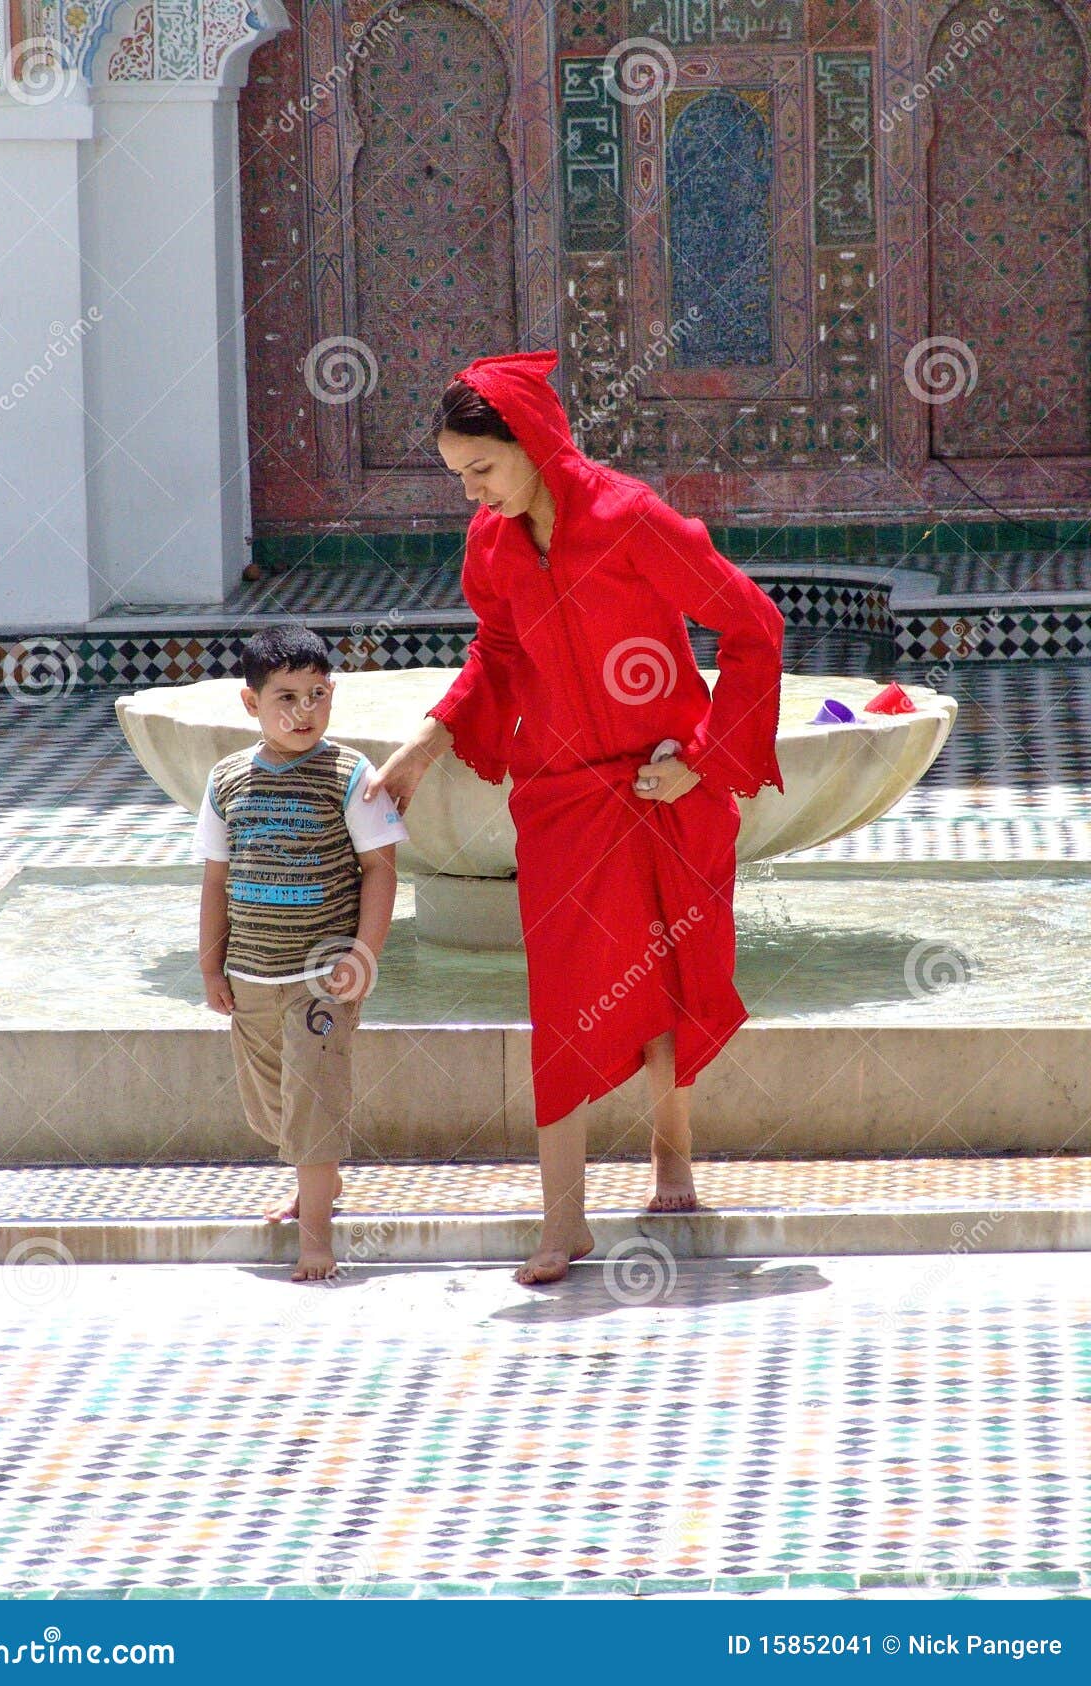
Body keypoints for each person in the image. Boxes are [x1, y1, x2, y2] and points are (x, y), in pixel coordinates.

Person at [364, 349, 785, 1285]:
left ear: (535, 442)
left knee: (676, 964)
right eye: (459, 478)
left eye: (482, 470)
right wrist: (422, 748)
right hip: (562, 797)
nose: (473, 494)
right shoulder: (494, 543)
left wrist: (704, 760)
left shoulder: (632, 519)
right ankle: (565, 1219)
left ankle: (670, 1147)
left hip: (665, 785)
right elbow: (499, 654)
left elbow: (754, 625)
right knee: (561, 994)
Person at [193, 624, 408, 1280]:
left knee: (312, 1100)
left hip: (324, 978)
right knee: (273, 1107)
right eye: (286, 697)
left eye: (317, 695)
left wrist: (364, 955)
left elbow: (380, 869)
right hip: (252, 973)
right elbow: (215, 879)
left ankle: (316, 1235)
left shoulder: (349, 774)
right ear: (250, 704)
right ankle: (321, 1183)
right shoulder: (227, 781)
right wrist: (211, 963)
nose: (304, 711)